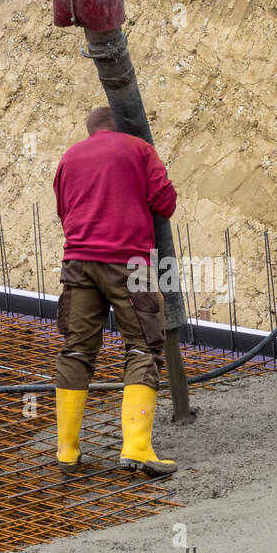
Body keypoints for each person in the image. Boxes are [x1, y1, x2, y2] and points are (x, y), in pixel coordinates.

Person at [53, 106, 178, 477]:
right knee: (143, 346)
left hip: (78, 262)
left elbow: (64, 211)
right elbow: (165, 203)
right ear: (119, 126)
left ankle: (67, 451)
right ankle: (137, 448)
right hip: (131, 263)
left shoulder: (69, 157)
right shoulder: (138, 148)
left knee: (76, 350)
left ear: (91, 131)